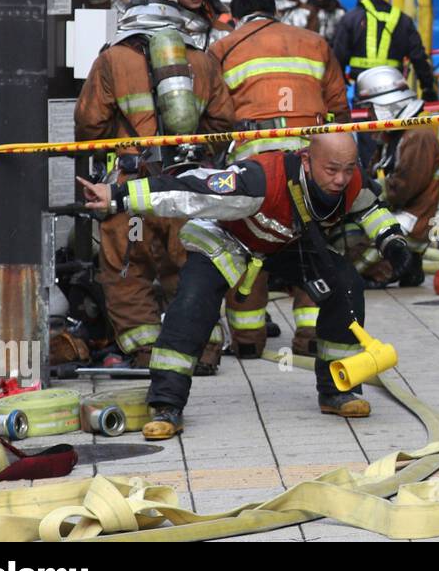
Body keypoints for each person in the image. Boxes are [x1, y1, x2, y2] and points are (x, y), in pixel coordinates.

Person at [78, 133, 414, 439]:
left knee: (347, 286)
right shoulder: (257, 180)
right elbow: (187, 191)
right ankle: (166, 405)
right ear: (307, 160)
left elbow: (371, 208)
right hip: (227, 240)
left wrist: (392, 242)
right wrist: (117, 195)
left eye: (347, 168)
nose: (340, 179)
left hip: (285, 243)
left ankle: (338, 389)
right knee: (193, 306)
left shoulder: (350, 181)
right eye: (331, 170)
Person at [74, 0, 236, 370]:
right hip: (186, 187)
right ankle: (205, 350)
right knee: (190, 268)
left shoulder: (112, 59)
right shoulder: (201, 59)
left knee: (129, 271)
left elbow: (89, 124)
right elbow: (224, 125)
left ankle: (147, 352)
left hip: (131, 189)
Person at [208, 0, 351, 357]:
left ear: (236, 16)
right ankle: (309, 336)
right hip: (309, 162)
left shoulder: (223, 48)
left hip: (256, 167)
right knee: (312, 242)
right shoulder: (315, 43)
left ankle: (248, 340)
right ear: (275, 11)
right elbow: (338, 110)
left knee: (247, 246)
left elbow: (214, 115)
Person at [350, 66, 439, 288]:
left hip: (410, 222)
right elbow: (377, 170)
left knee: (349, 272)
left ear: (386, 106)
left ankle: (390, 268)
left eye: (371, 109)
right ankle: (406, 265)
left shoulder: (418, 136)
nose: (369, 116)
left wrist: (363, 191)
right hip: (396, 214)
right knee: (344, 236)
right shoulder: (396, 134)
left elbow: (400, 190)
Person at [333, 0, 439, 100]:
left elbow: (338, 57)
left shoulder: (350, 19)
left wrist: (338, 83)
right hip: (396, 90)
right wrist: (427, 86)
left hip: (363, 91)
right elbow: (418, 56)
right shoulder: (403, 19)